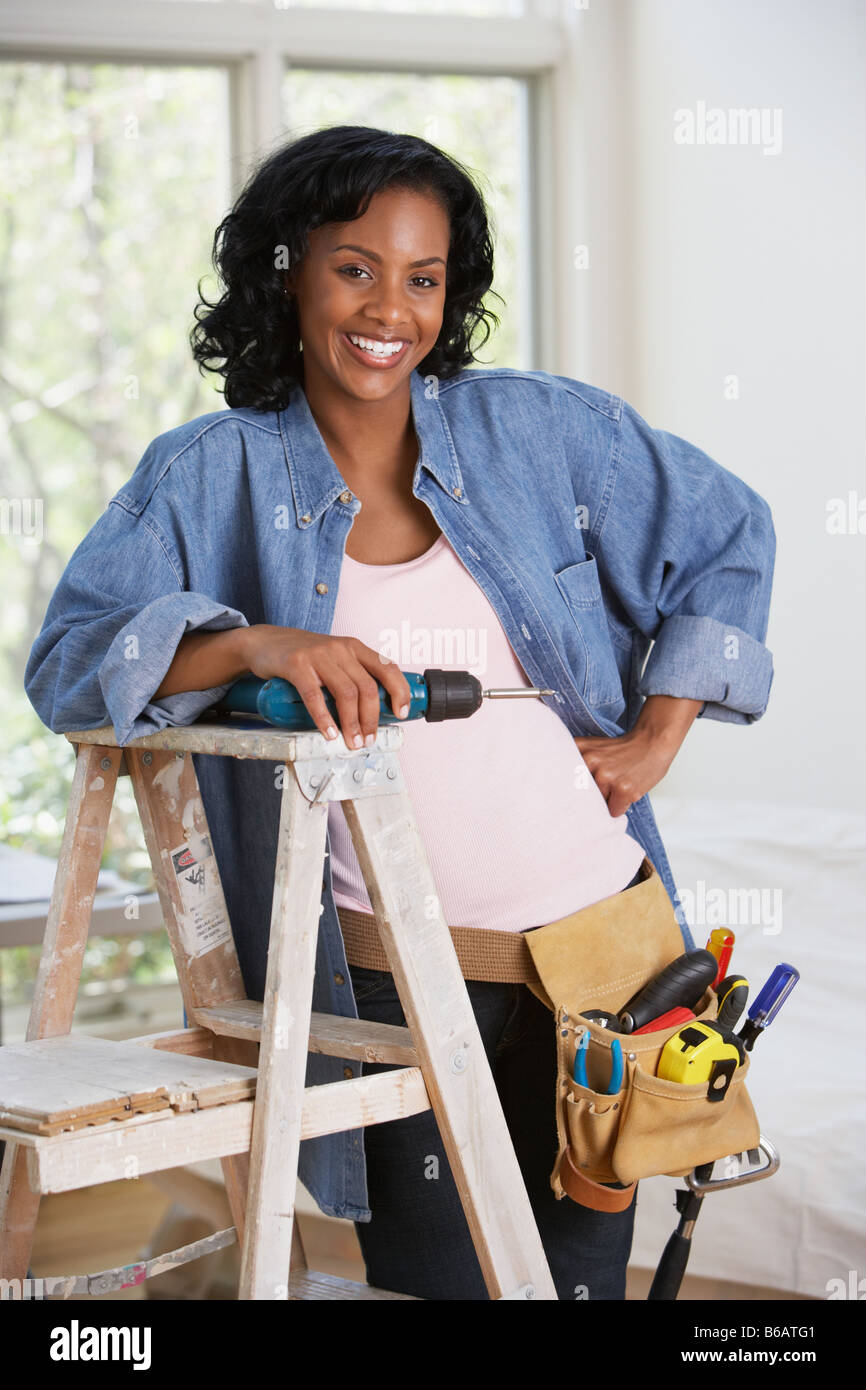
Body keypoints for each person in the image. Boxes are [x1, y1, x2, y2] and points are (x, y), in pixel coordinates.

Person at [24, 125, 776, 1300]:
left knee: (583, 1287)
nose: (391, 309)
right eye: (355, 266)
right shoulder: (206, 473)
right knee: (442, 1288)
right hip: (393, 980)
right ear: (286, 270)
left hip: (613, 957)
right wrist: (251, 640)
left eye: (422, 277)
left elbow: (727, 533)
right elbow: (70, 667)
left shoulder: (539, 431)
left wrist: (655, 735)